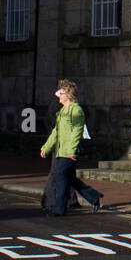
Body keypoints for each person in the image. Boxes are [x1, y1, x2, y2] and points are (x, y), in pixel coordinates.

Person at [39, 80, 103, 216]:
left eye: (61, 93)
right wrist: (46, 147)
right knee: (69, 178)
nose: (58, 96)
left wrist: (72, 151)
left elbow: (77, 132)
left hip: (69, 152)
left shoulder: (76, 110)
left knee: (59, 175)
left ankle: (59, 209)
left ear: (68, 95)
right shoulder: (62, 111)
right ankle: (93, 196)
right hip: (61, 150)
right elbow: (56, 132)